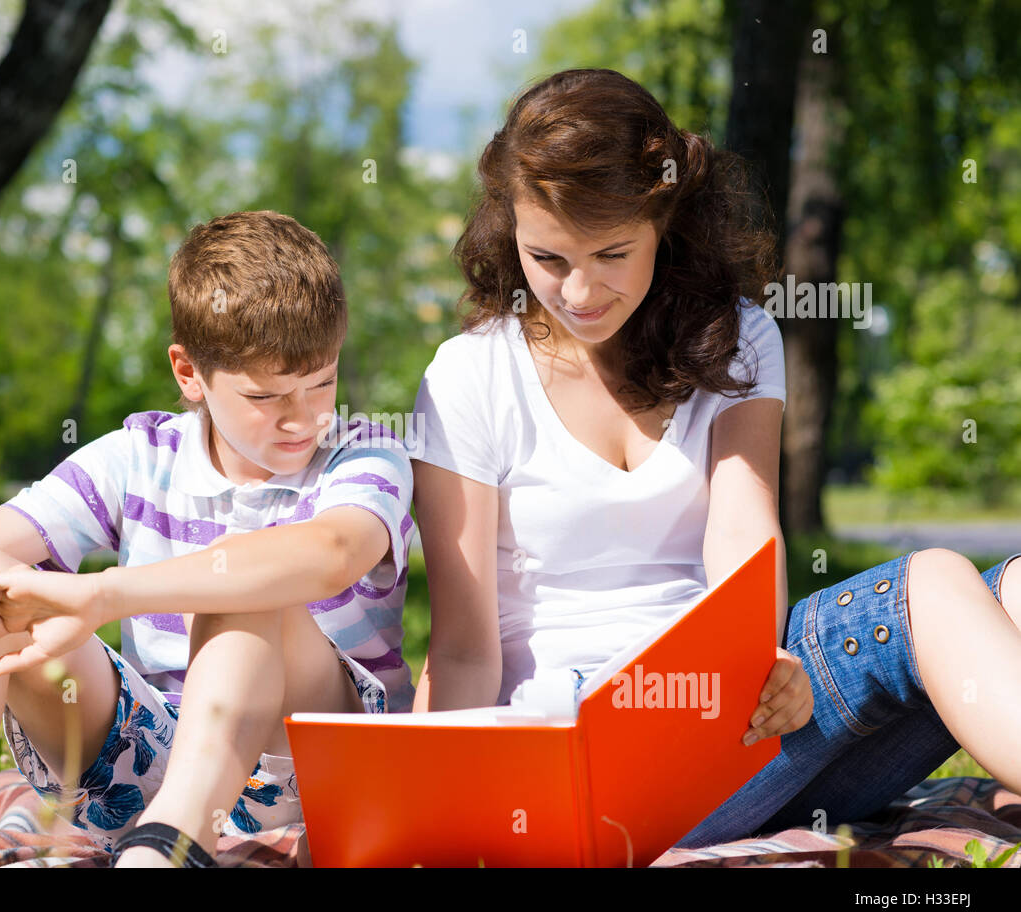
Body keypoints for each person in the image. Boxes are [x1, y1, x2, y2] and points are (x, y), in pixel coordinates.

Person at [408, 68, 1021, 848]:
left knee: (1012, 589)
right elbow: (462, 647)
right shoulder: (469, 376)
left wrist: (756, 666)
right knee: (930, 580)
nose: (581, 289)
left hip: (728, 727)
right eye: (549, 258)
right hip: (580, 755)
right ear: (511, 231)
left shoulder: (735, 336)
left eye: (612, 252)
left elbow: (742, 530)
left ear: (662, 218)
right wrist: (450, 821)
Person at [0, 210, 416, 868]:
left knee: (247, 582)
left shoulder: (363, 453)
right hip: (147, 769)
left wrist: (106, 594)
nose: (303, 418)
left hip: (318, 768)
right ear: (188, 372)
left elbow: (331, 554)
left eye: (322, 382)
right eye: (265, 395)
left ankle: (169, 849)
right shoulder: (140, 456)